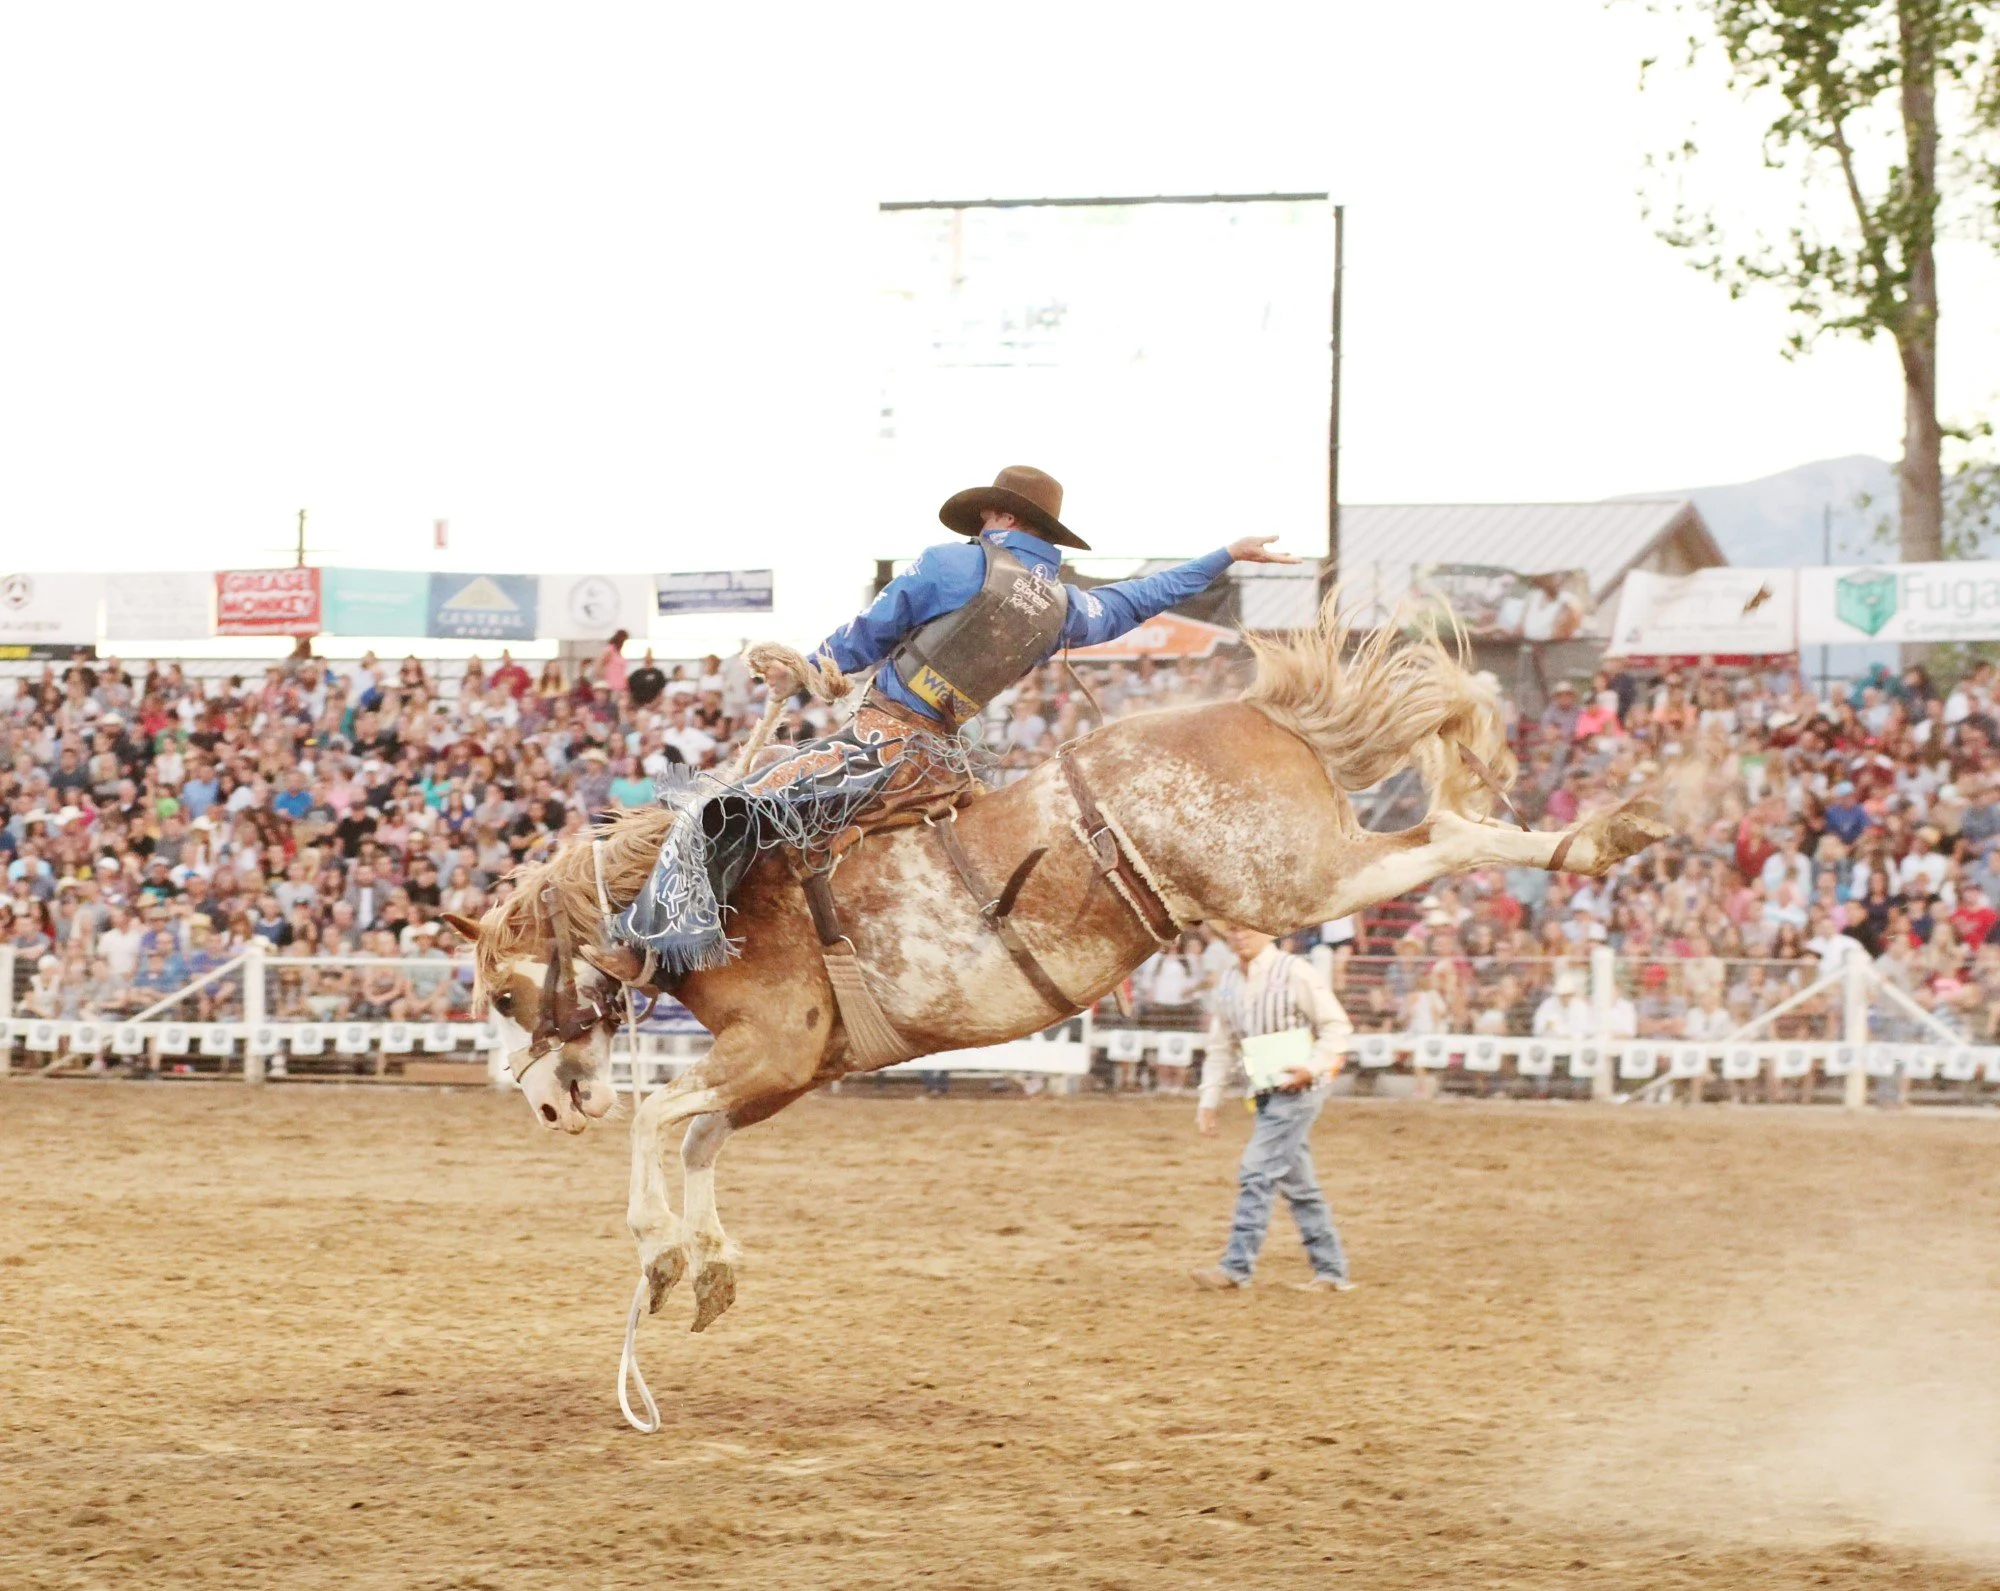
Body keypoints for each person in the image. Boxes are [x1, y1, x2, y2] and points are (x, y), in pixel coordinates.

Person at [608, 465, 1297, 976]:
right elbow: (1141, 597)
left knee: (721, 809)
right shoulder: (1063, 606)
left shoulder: (953, 564)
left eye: (986, 517)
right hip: (944, 760)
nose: (979, 526)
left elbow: (873, 629)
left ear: (1001, 515)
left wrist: (807, 664)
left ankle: (650, 945)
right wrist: (1224, 555)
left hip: (881, 745)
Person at [1187, 921, 1355, 1294]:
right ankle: (1332, 1271)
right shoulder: (1229, 981)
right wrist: (1209, 1099)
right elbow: (1222, 1046)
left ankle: (1236, 1266)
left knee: (1257, 1170)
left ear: (1269, 931)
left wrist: (1311, 1067)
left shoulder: (1295, 971)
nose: (1238, 934)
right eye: (1231, 928)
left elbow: (1336, 1026)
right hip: (1266, 1087)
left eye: (1246, 927)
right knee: (1299, 1184)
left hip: (1300, 1086)